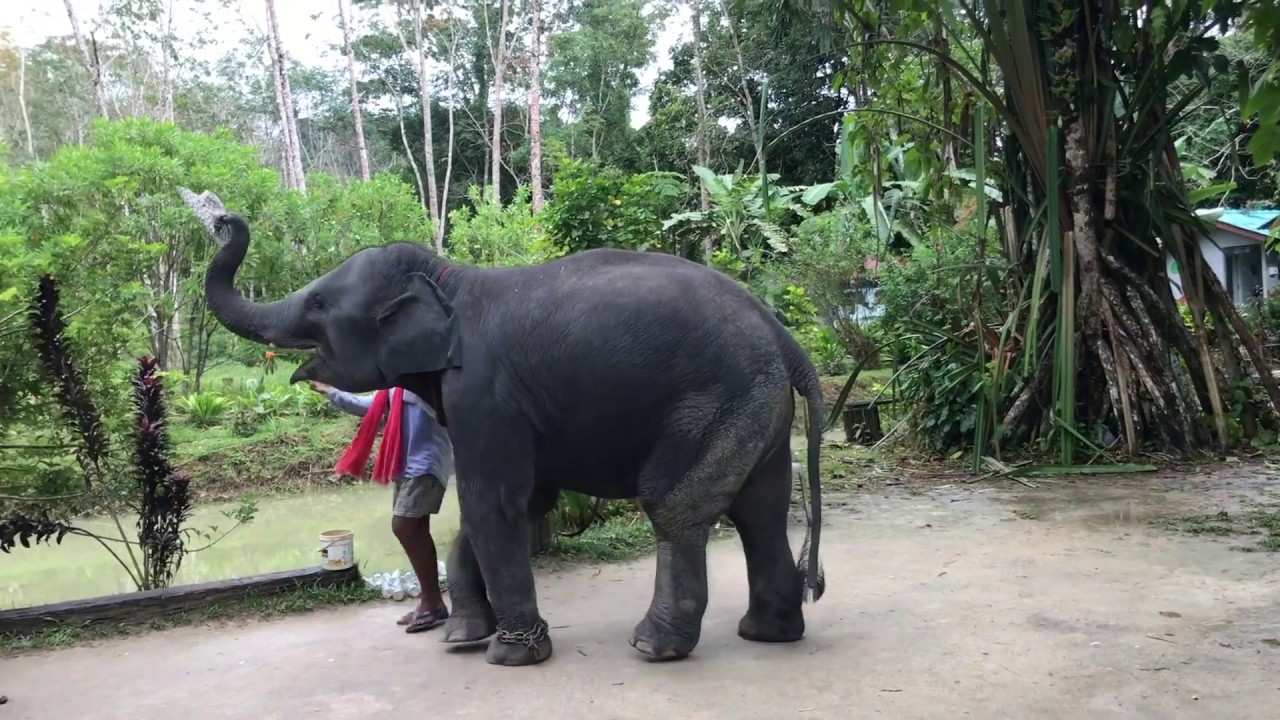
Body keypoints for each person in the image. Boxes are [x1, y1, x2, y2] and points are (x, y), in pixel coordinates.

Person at [309, 381, 454, 633]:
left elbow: (441, 410)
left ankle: (432, 601)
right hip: (406, 464)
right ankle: (432, 602)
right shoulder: (396, 385)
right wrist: (330, 391)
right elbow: (370, 405)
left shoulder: (424, 381)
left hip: (426, 464)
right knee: (416, 529)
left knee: (404, 526)